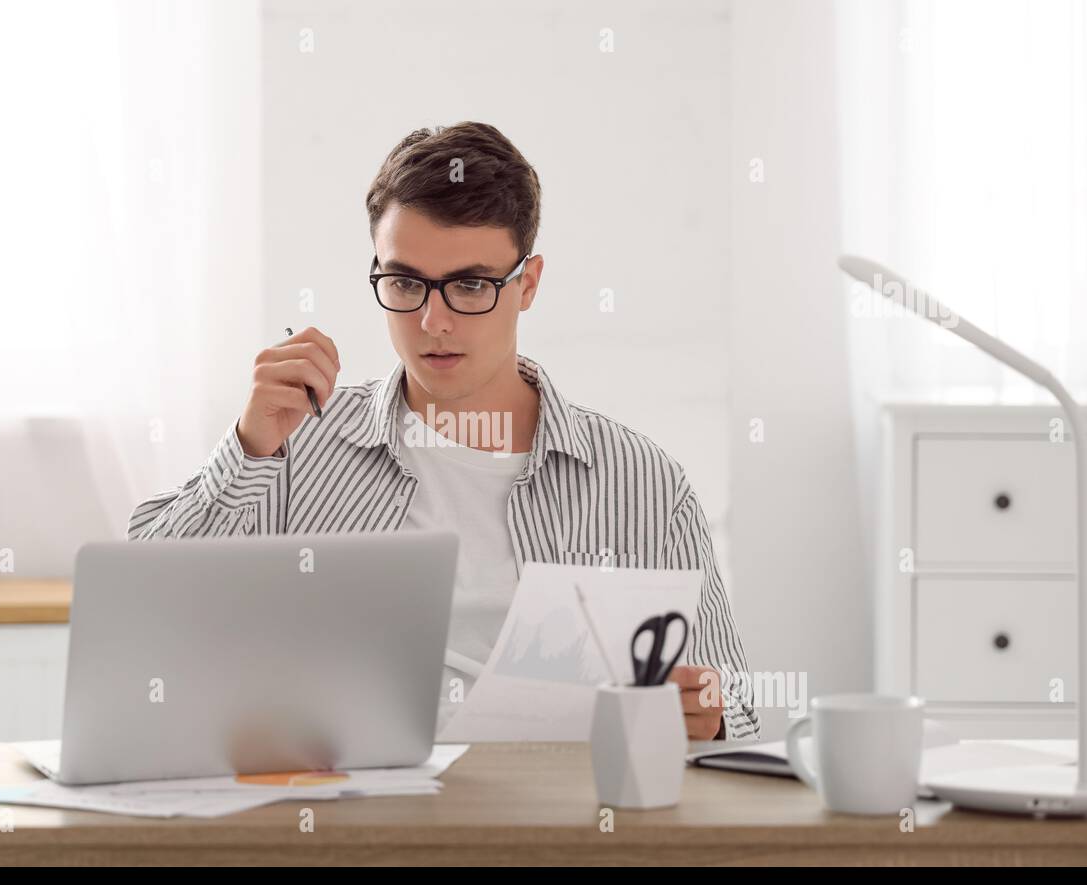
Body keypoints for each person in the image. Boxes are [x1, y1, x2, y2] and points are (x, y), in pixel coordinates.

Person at [128, 121, 759, 741]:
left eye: (470, 286)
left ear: (528, 284)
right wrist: (248, 446)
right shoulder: (298, 440)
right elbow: (146, 607)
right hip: (351, 823)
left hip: (558, 830)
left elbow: (739, 705)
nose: (433, 321)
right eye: (404, 282)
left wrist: (710, 713)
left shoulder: (641, 482)